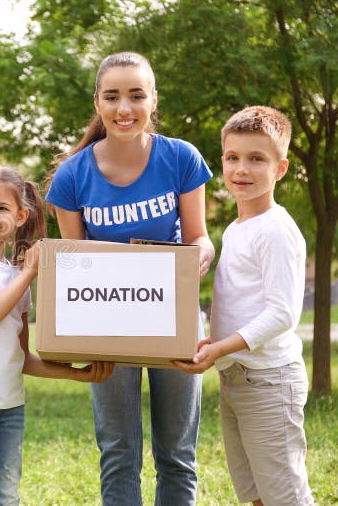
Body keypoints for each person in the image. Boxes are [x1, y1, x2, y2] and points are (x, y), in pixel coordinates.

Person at [45, 51, 214, 505]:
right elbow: (72, 263)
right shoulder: (71, 176)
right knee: (119, 453)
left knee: (177, 454)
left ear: (153, 99)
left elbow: (200, 238)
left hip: (173, 321)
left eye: (136, 96)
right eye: (113, 96)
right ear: (97, 102)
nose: (125, 108)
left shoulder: (181, 158)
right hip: (109, 328)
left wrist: (198, 256)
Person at [0, 161, 114, 505]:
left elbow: (22, 359)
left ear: (20, 216)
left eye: (2, 208)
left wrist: (77, 374)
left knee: (5, 496)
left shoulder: (14, 277)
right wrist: (28, 273)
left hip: (8, 403)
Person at [174, 106, 313, 506]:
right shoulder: (237, 228)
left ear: (280, 169)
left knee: (285, 496)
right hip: (238, 378)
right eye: (233, 158)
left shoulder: (276, 230)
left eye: (257, 159)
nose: (242, 169)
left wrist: (218, 348)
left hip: (270, 382)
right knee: (255, 494)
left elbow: (282, 313)